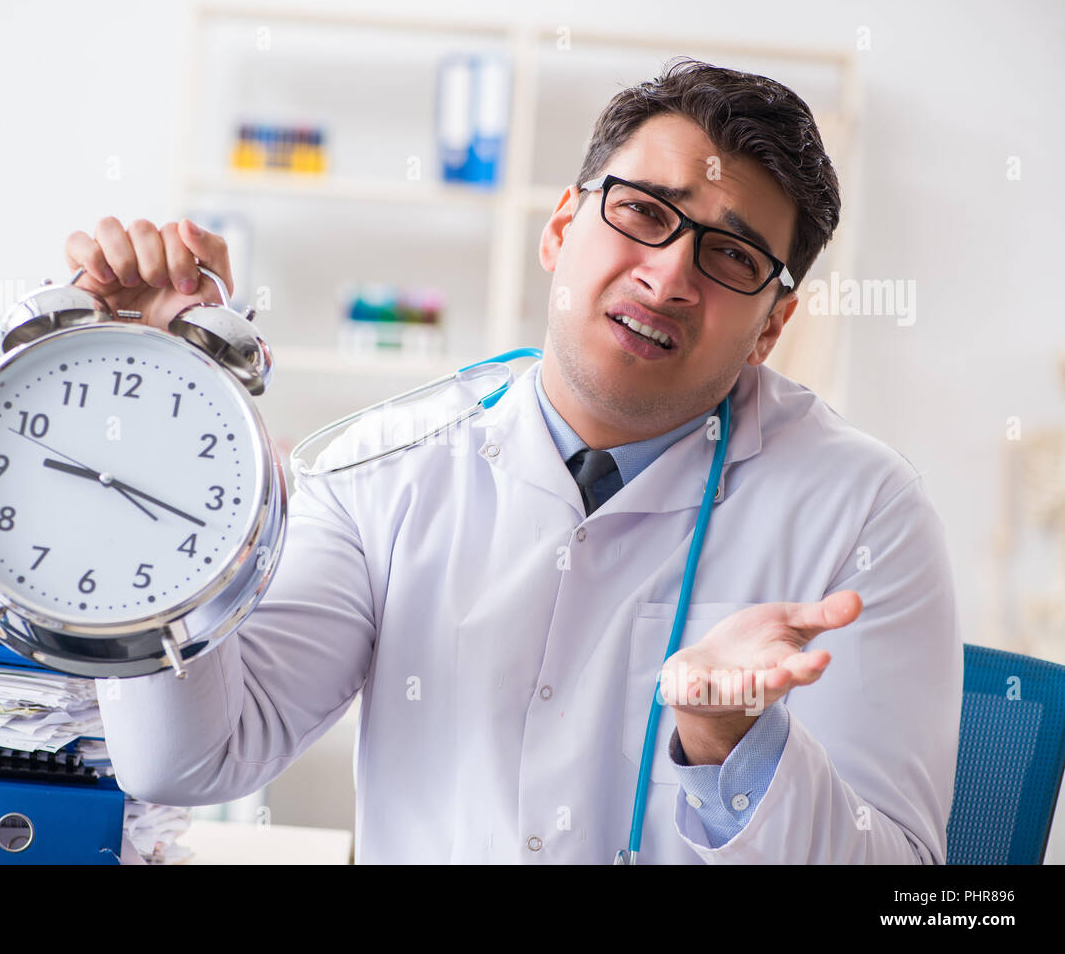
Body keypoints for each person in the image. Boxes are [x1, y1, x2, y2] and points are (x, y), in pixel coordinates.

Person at [66, 58, 960, 863]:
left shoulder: (864, 512)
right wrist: (157, 412)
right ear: (561, 230)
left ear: (771, 326)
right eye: (644, 212)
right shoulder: (382, 466)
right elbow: (190, 756)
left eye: (729, 254)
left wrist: (732, 747)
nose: (668, 276)